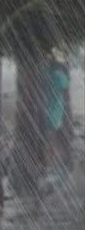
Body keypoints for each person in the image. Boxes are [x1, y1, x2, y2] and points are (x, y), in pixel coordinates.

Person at [41, 48, 73, 191]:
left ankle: (50, 166)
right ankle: (51, 167)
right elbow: (67, 84)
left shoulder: (46, 74)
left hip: (48, 112)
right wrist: (66, 67)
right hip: (55, 114)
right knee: (52, 142)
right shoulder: (59, 75)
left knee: (50, 141)